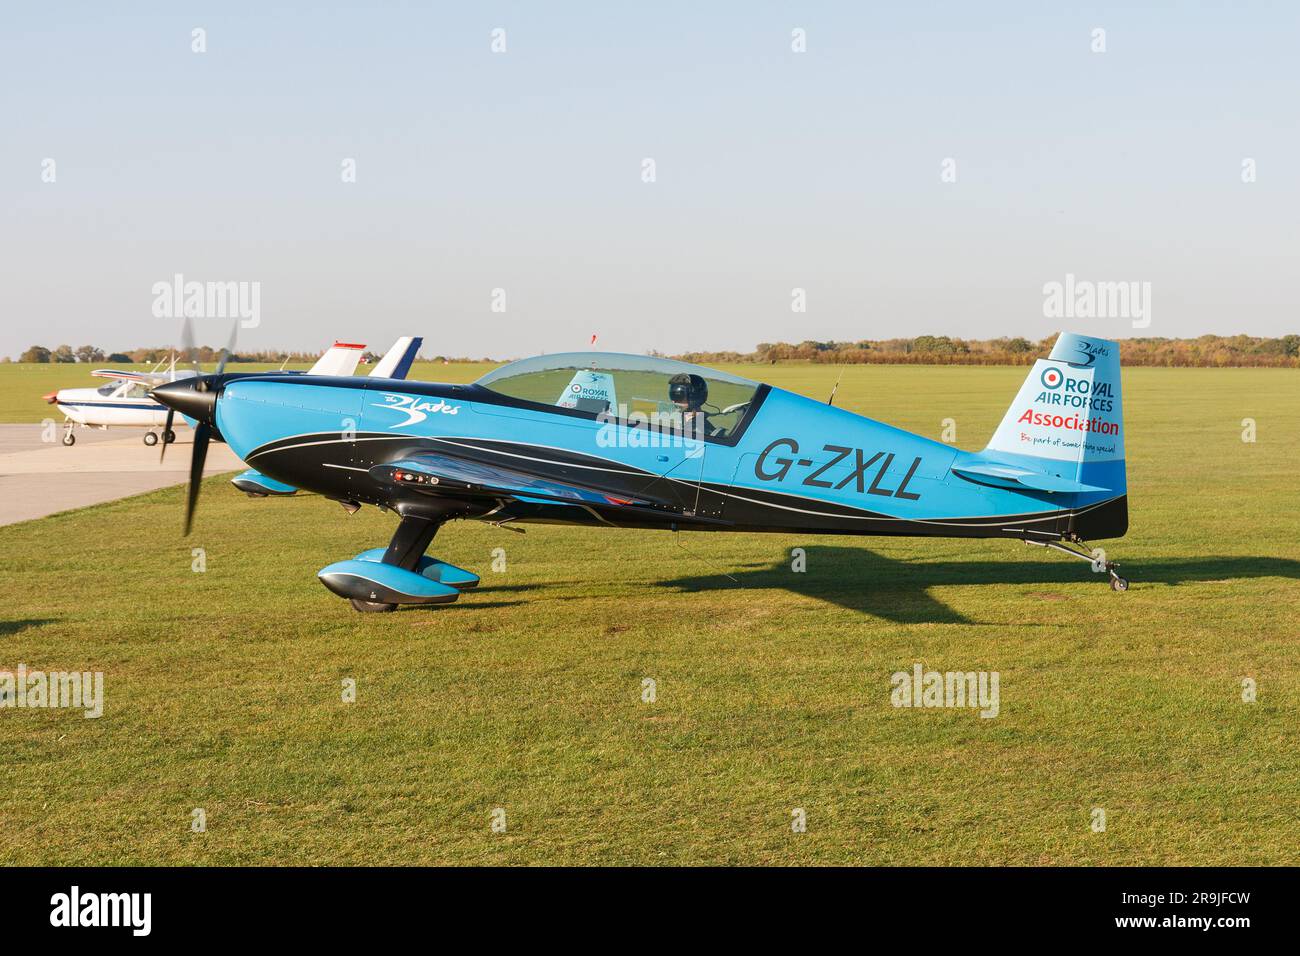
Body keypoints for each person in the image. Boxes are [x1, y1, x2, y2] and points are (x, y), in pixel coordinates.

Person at [668, 372, 710, 437]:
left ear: (694, 397)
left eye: (678, 397)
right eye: (672, 395)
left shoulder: (698, 430)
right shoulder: (684, 421)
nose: (673, 401)